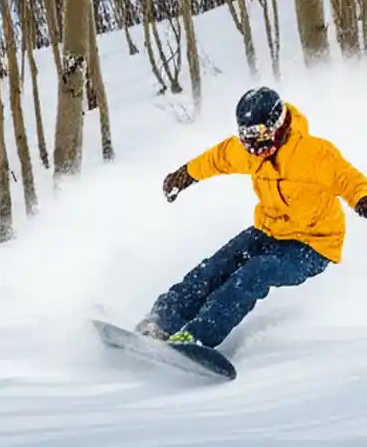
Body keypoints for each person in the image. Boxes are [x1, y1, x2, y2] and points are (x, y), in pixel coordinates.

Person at [136, 87, 367, 349]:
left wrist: (362, 199)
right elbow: (218, 158)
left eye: (258, 133)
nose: (252, 144)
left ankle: (197, 338)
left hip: (313, 245)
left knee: (256, 271)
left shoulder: (313, 154)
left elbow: (349, 180)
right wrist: (186, 174)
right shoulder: (248, 151)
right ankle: (161, 322)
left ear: (277, 126)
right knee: (215, 266)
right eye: (245, 135)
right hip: (268, 230)